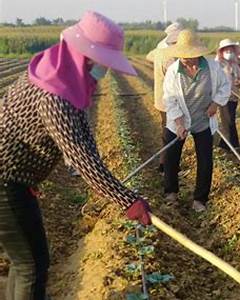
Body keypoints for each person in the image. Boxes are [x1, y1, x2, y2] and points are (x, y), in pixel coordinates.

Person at [0, 11, 151, 300]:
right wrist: (127, 200)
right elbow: (82, 158)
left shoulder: (60, 77)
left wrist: (120, 192)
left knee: (26, 264)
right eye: (103, 63)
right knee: (31, 265)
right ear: (86, 56)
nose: (104, 70)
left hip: (13, 179)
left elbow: (84, 140)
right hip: (5, 182)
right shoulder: (54, 95)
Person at [162, 30, 230, 212]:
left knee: (205, 159)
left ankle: (200, 199)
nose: (185, 59)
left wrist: (216, 104)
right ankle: (171, 193)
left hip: (203, 119)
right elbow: (169, 98)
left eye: (189, 55)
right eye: (182, 55)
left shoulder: (213, 68)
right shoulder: (172, 71)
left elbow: (225, 86)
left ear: (198, 53)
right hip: (179, 119)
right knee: (171, 156)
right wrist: (178, 123)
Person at [146, 22, 184, 172]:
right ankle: (168, 166)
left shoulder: (160, 51)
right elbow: (176, 79)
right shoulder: (170, 57)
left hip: (161, 99)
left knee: (167, 132)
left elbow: (150, 57)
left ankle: (165, 165)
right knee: (172, 134)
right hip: (170, 100)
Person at [216, 38, 240, 150]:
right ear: (221, 52)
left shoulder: (235, 64)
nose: (229, 53)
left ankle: (230, 143)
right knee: (227, 120)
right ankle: (228, 143)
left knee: (230, 119)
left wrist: (238, 82)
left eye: (231, 51)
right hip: (223, 97)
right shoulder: (218, 65)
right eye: (226, 51)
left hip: (234, 97)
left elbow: (239, 80)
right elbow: (216, 81)